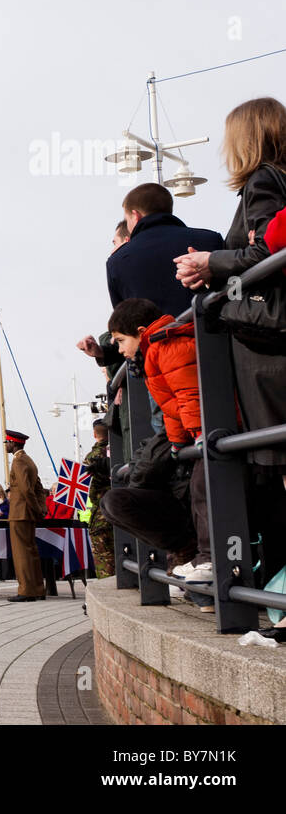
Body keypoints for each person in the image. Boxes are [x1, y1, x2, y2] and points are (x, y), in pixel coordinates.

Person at [174, 96, 286, 487]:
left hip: (266, 342)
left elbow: (266, 249)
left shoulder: (263, 180)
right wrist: (212, 267)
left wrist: (211, 263)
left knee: (272, 453)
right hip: (269, 334)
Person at [106, 297, 213, 585]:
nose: (119, 349)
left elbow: (189, 395)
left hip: (205, 433)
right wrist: (178, 442)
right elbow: (171, 411)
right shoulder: (153, 353)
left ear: (141, 332)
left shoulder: (167, 347)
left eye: (120, 341)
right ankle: (195, 557)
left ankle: (208, 559)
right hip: (191, 435)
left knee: (203, 489)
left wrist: (199, 434)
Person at [106, 182, 224, 317]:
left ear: (135, 215)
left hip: (152, 337)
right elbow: (234, 291)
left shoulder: (116, 261)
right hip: (207, 335)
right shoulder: (211, 239)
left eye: (127, 220)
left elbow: (124, 321)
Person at [4, 431, 47, 602]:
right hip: (27, 513)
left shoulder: (18, 461)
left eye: (7, 442)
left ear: (14, 444)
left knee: (21, 553)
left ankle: (26, 590)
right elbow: (38, 487)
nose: (5, 444)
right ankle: (37, 588)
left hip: (20, 512)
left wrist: (36, 509)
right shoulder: (29, 460)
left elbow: (25, 489)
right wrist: (40, 508)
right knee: (31, 552)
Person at [83, 421, 113, 577]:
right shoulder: (118, 452)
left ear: (95, 434)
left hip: (101, 511)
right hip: (119, 509)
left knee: (104, 556)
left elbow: (87, 486)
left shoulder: (92, 457)